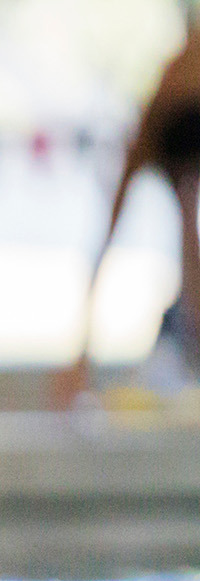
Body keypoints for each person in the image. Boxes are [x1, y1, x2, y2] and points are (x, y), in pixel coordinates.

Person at [62, 22, 200, 404]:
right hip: (173, 124)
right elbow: (105, 243)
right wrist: (79, 354)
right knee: (188, 235)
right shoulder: (151, 134)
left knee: (189, 237)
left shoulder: (169, 108)